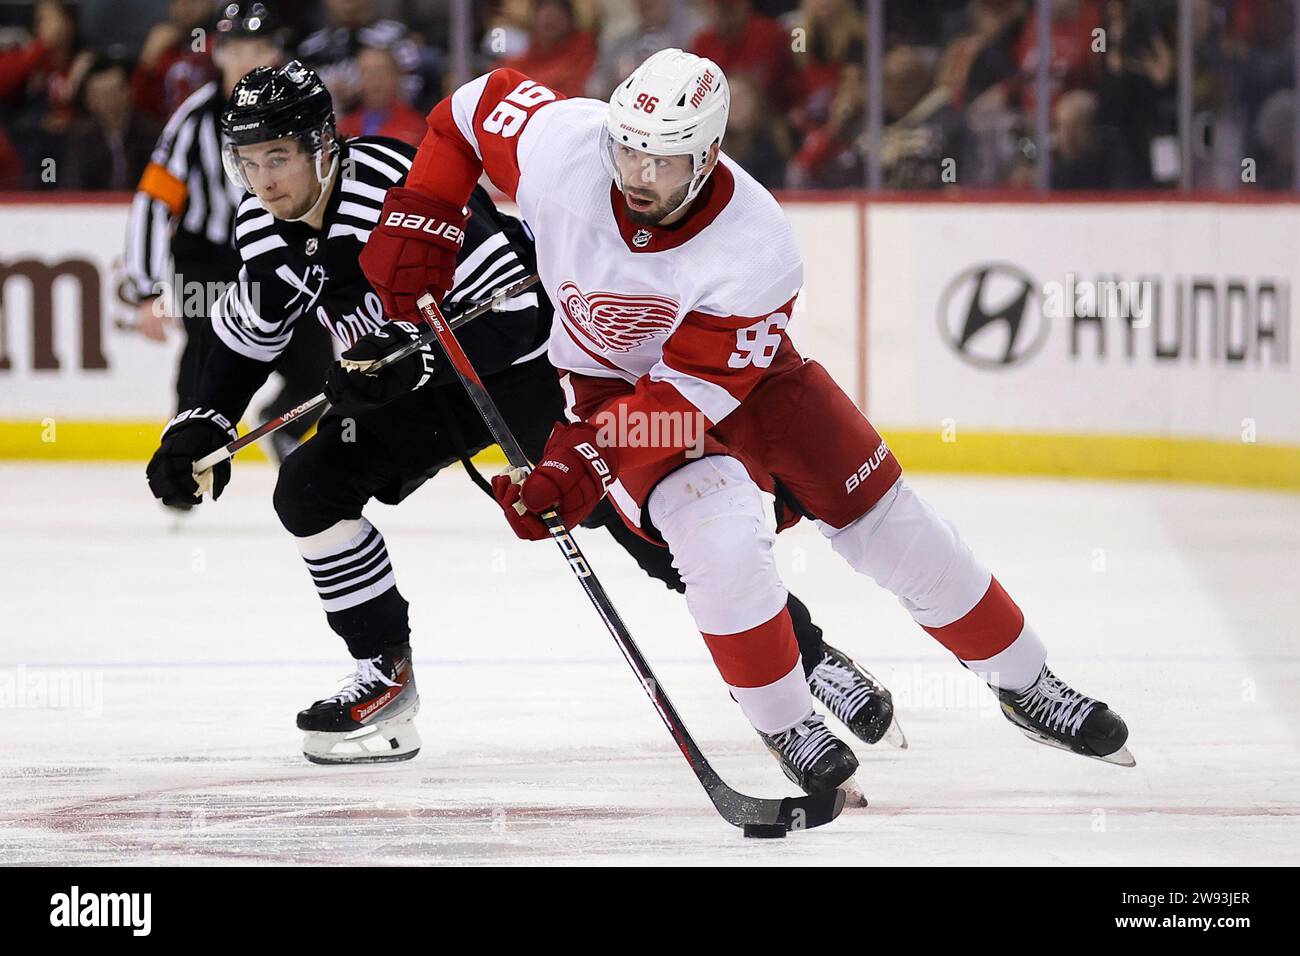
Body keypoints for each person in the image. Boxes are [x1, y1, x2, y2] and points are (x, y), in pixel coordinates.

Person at [360, 49, 1135, 798]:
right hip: (606, 384)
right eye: (627, 153)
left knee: (895, 527)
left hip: (744, 383)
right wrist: (425, 211)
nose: (635, 176)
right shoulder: (567, 146)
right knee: (720, 534)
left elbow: (679, 405)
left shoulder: (755, 244)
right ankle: (788, 722)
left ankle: (1028, 683)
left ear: (707, 156)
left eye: (660, 162)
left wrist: (584, 466)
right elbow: (469, 109)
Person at [143, 59, 900, 767]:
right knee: (307, 489)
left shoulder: (386, 185)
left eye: (279, 157)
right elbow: (245, 336)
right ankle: (384, 674)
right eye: (249, 161)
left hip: (525, 373)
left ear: (321, 145)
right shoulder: (257, 227)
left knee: (637, 521)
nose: (264, 179)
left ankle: (808, 657)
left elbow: (513, 306)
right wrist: (199, 424)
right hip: (412, 397)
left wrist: (413, 355)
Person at [122, 3, 331, 471]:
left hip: (279, 252)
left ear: (275, 53)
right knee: (206, 353)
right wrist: (144, 288)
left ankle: (282, 425)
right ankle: (183, 456)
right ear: (218, 54)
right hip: (209, 258)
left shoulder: (299, 115)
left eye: (257, 48)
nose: (247, 61)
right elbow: (155, 199)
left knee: (318, 367)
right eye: (236, 49)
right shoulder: (193, 120)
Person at [62, 56, 161, 191]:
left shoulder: (152, 134)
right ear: (88, 99)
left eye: (114, 91)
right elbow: (73, 185)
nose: (108, 100)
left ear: (128, 91)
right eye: (100, 94)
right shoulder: (80, 138)